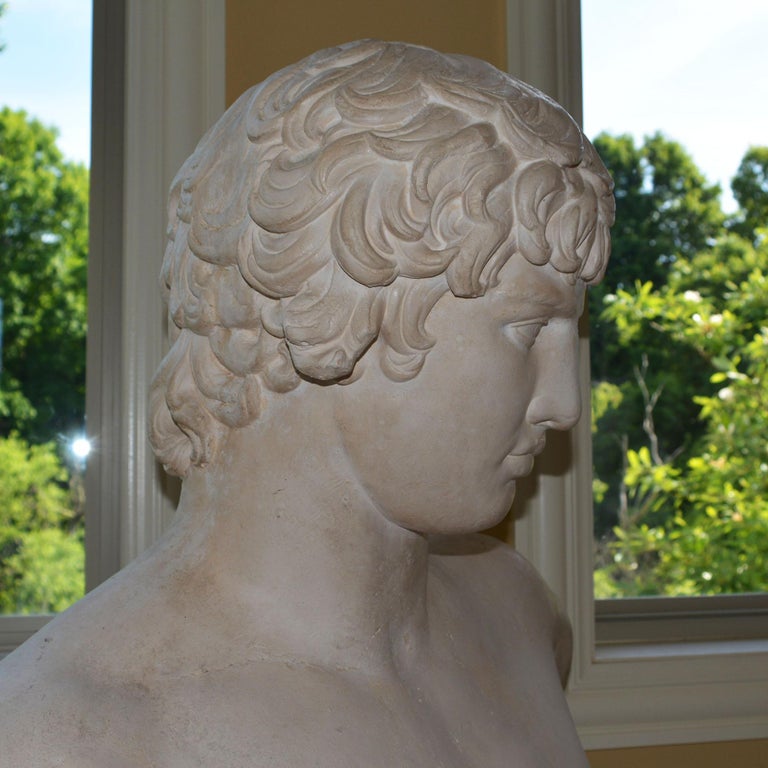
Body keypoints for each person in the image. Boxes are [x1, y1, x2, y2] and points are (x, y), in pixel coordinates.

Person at [0, 40, 613, 766]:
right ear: (340, 304)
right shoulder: (64, 732)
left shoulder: (518, 616)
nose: (566, 404)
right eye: (527, 328)